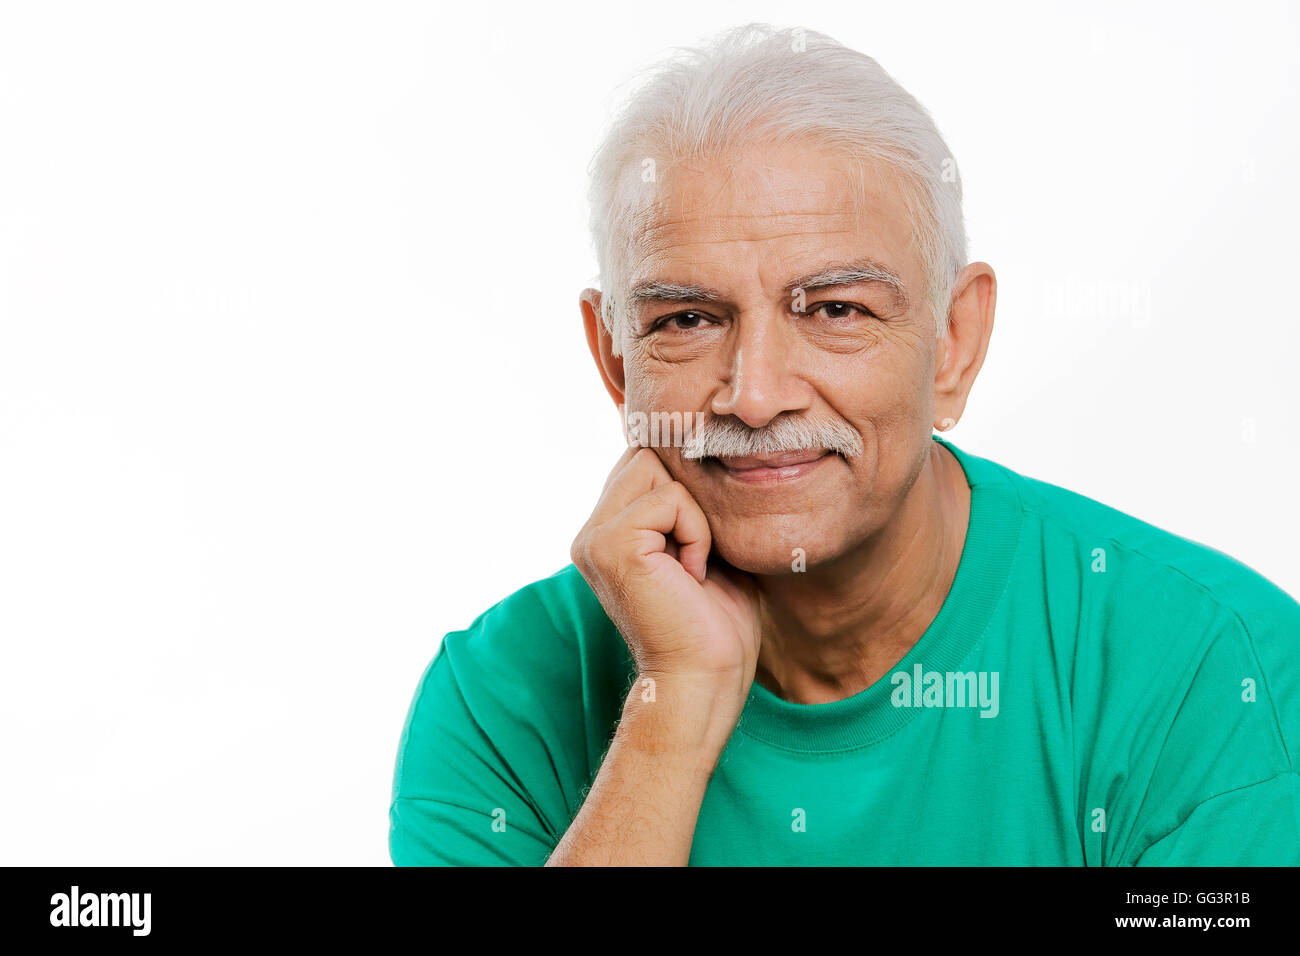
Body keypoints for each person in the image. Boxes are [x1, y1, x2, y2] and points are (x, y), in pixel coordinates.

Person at [389, 22, 1300, 866]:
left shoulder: (1212, 670)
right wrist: (673, 714)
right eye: (688, 318)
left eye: (834, 310)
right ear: (616, 360)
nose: (754, 394)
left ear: (953, 343)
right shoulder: (499, 704)